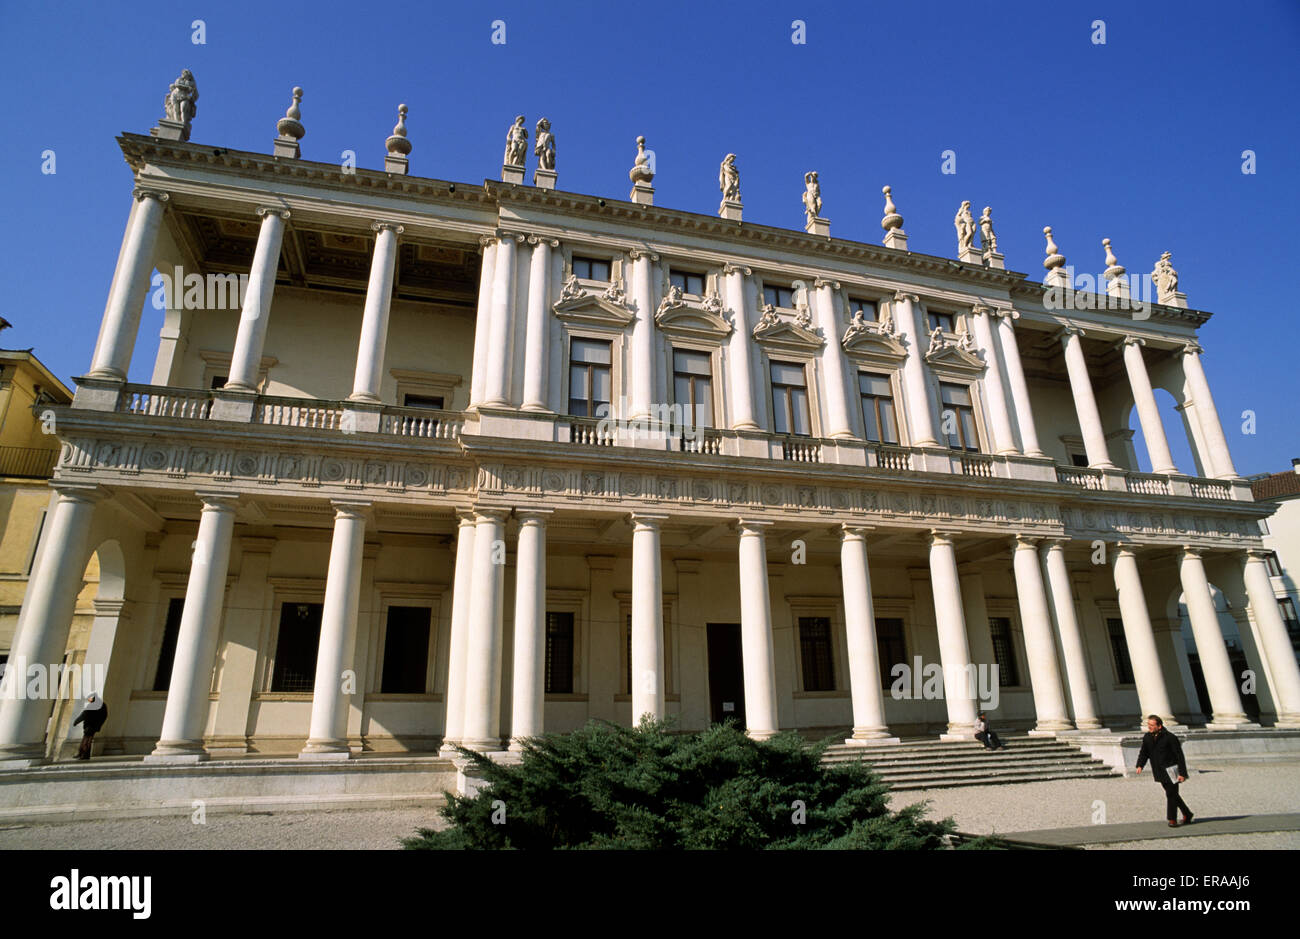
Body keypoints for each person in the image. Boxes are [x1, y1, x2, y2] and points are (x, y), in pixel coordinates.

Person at [1135, 714, 1193, 827]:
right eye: (1148, 725)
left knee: (1171, 794)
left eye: (1152, 725)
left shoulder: (1170, 737)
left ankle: (1172, 819)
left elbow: (1179, 756)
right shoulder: (1147, 737)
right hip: (1159, 770)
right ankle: (1187, 813)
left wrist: (1182, 773)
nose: (1149, 727)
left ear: (1159, 726)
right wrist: (1140, 765)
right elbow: (1144, 752)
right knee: (1172, 794)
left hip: (1171, 769)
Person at [71, 692, 108, 761]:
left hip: (90, 725)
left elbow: (84, 715)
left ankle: (83, 754)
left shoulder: (92, 705)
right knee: (88, 740)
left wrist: (76, 722)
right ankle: (84, 754)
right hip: (95, 726)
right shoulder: (103, 705)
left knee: (86, 740)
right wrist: (99, 725)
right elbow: (104, 716)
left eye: (89, 699)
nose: (88, 700)